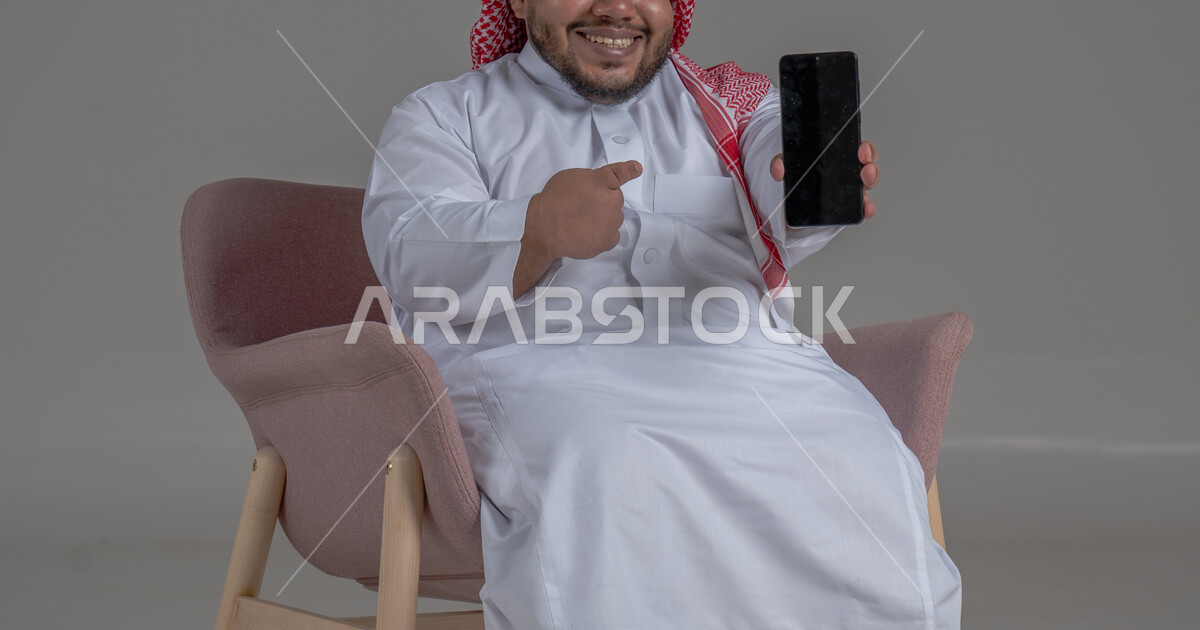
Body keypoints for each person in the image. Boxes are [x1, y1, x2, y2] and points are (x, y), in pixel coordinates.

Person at [362, 0, 962, 627]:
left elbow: (775, 171)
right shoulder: (444, 114)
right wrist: (534, 228)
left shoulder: (729, 105)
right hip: (534, 372)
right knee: (606, 462)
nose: (617, 9)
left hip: (744, 364)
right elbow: (407, 247)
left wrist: (805, 188)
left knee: (854, 449)